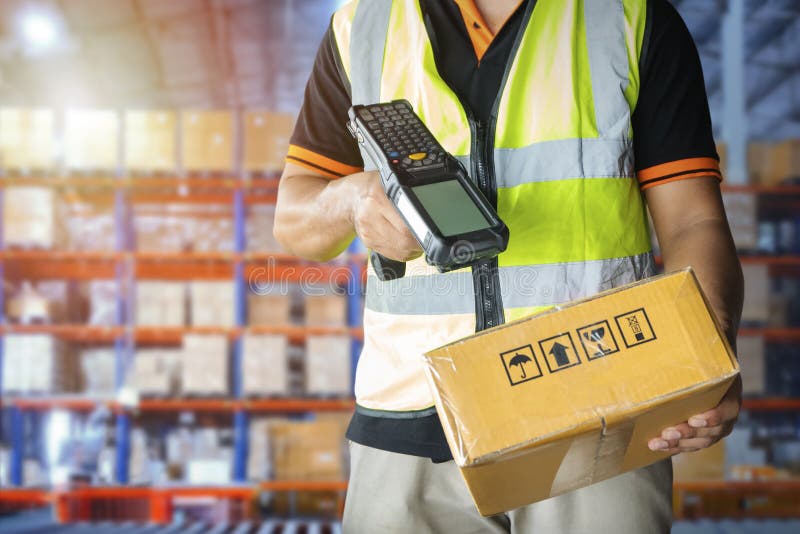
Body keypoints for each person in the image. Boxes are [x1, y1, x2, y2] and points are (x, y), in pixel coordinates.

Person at [273, 0, 744, 532]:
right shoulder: (363, 24)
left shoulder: (630, 18)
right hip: (409, 425)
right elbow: (293, 220)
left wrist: (707, 355)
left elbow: (693, 223)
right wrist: (351, 198)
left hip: (598, 409)